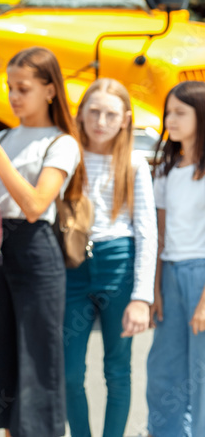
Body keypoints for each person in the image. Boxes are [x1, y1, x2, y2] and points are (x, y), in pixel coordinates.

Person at [0, 46, 85, 437]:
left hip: (36, 247)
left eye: (23, 88)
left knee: (38, 355)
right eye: (10, 87)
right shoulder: (8, 134)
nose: (13, 96)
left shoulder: (62, 142)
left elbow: (34, 204)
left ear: (50, 90)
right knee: (2, 352)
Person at [64, 78, 156, 437]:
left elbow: (147, 231)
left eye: (111, 114)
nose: (101, 121)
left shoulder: (134, 163)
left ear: (125, 119)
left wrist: (142, 298)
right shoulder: (67, 154)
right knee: (70, 371)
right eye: (94, 111)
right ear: (81, 113)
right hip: (73, 264)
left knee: (117, 368)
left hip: (118, 263)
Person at [146, 80, 205, 437]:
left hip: (201, 276)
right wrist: (154, 289)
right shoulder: (166, 171)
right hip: (169, 273)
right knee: (163, 370)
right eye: (168, 111)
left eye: (180, 112)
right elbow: (159, 236)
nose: (171, 119)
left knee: (201, 371)